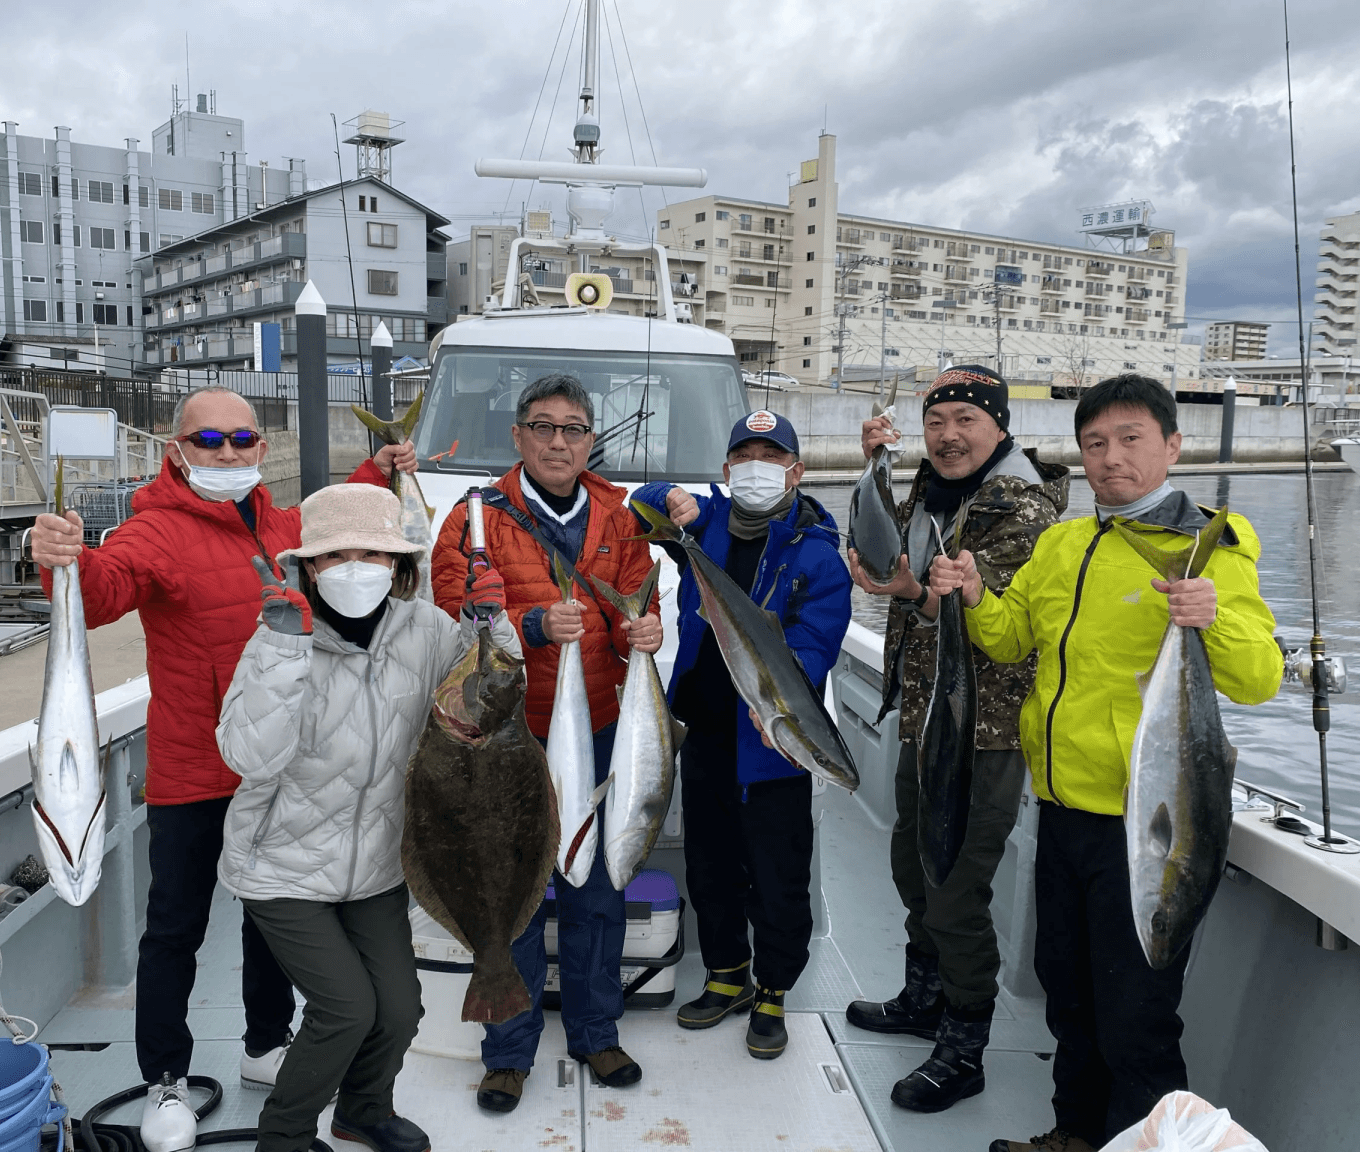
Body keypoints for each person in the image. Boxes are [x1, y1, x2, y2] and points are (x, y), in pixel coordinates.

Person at [29, 387, 414, 1152]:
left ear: (261, 448)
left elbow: (340, 531)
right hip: (193, 772)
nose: (228, 453)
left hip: (278, 770)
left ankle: (264, 1043)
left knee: (271, 916)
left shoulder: (281, 523)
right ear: (178, 451)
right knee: (177, 927)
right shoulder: (155, 531)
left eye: (242, 438)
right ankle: (167, 1078)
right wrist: (59, 561)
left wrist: (378, 469)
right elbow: (103, 591)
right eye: (209, 441)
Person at [925, 375, 1283, 1152]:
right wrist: (979, 594)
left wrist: (1210, 620)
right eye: (1095, 443)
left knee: (1137, 1015)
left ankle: (1140, 1143)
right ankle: (1076, 1135)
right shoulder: (1064, 542)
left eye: (1131, 440)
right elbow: (1012, 638)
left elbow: (1259, 678)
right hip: (1061, 811)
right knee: (1070, 993)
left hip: (1154, 825)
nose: (1111, 458)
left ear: (1171, 447)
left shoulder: (1211, 543)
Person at [216, 483, 514, 1152]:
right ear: (310, 569)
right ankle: (284, 1136)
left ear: (399, 566)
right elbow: (247, 755)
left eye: (374, 553)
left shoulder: (429, 630)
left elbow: (487, 707)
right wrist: (283, 652)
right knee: (345, 1009)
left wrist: (493, 627)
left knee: (400, 1008)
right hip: (281, 865)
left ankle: (363, 1109)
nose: (356, 568)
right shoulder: (277, 637)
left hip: (379, 864)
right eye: (336, 556)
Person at [431, 373, 663, 1113]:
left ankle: (596, 1030)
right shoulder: (472, 517)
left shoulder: (623, 519)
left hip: (595, 724)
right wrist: (532, 628)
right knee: (512, 893)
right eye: (544, 426)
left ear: (590, 440)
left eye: (573, 428)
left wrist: (642, 631)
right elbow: (449, 611)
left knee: (594, 883)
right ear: (519, 437)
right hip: (502, 735)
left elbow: (640, 598)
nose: (558, 440)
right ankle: (509, 1050)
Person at [842, 365, 1068, 1112]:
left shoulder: (1024, 506)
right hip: (926, 716)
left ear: (1000, 427)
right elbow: (887, 553)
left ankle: (965, 1043)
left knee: (955, 886)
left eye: (966, 419)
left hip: (987, 734)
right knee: (913, 865)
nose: (946, 435)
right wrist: (872, 466)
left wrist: (911, 592)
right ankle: (924, 997)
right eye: (936, 421)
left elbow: (985, 612)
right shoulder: (940, 493)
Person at [631, 409, 852, 1061]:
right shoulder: (704, 520)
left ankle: (772, 992)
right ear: (728, 471)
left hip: (770, 743)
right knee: (710, 865)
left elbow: (816, 636)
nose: (759, 467)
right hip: (703, 736)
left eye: (772, 455)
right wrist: (663, 497)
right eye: (746, 456)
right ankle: (725, 976)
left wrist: (780, 695)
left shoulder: (815, 545)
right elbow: (639, 507)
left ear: (796, 471)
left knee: (777, 878)